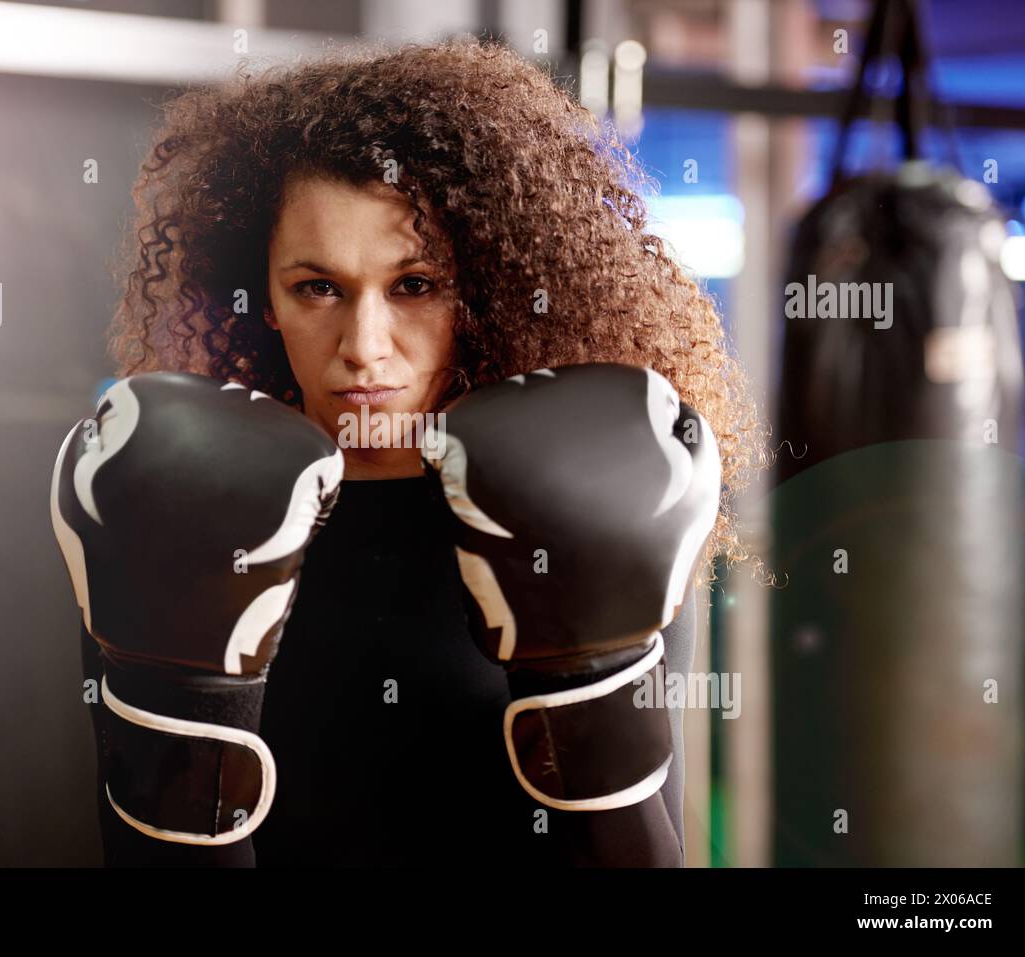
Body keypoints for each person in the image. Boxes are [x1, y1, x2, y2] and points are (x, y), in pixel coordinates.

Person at [54, 37, 763, 867]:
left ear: (485, 289)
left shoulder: (586, 497)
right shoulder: (169, 507)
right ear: (267, 300)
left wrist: (589, 688)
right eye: (318, 287)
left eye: (415, 286)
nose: (364, 345)